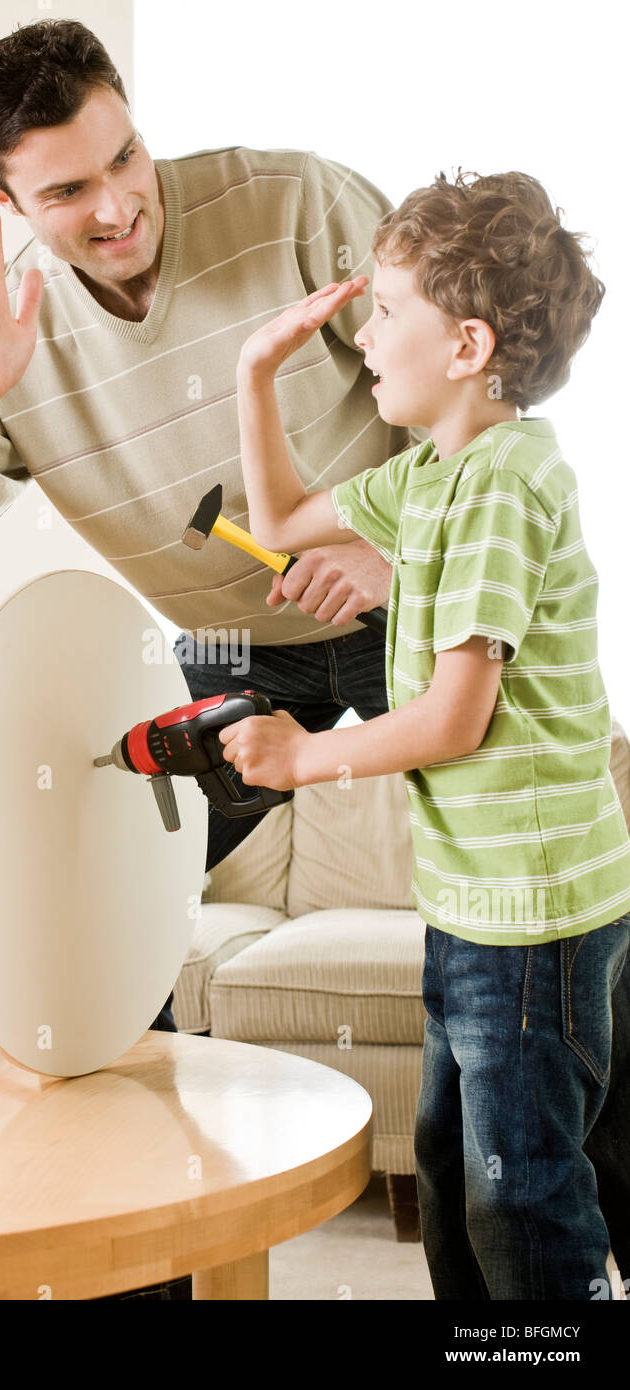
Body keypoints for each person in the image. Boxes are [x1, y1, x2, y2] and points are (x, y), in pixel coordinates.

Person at [0, 17, 412, 1037]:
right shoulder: (13, 339)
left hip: (412, 603)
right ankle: (129, 1160)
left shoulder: (295, 203)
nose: (118, 208)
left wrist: (392, 542)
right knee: (98, 876)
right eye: (66, 193)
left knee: (541, 887)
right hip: (233, 652)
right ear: (4, 202)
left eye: (126, 157)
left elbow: (475, 386)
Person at [219, 170, 630, 1299]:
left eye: (386, 309)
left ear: (467, 346)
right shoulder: (440, 475)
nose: (363, 334)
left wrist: (305, 758)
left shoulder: (506, 481)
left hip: (532, 914)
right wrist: (256, 371)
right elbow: (281, 522)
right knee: (454, 1170)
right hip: (475, 906)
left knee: (522, 1193)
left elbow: (456, 716)